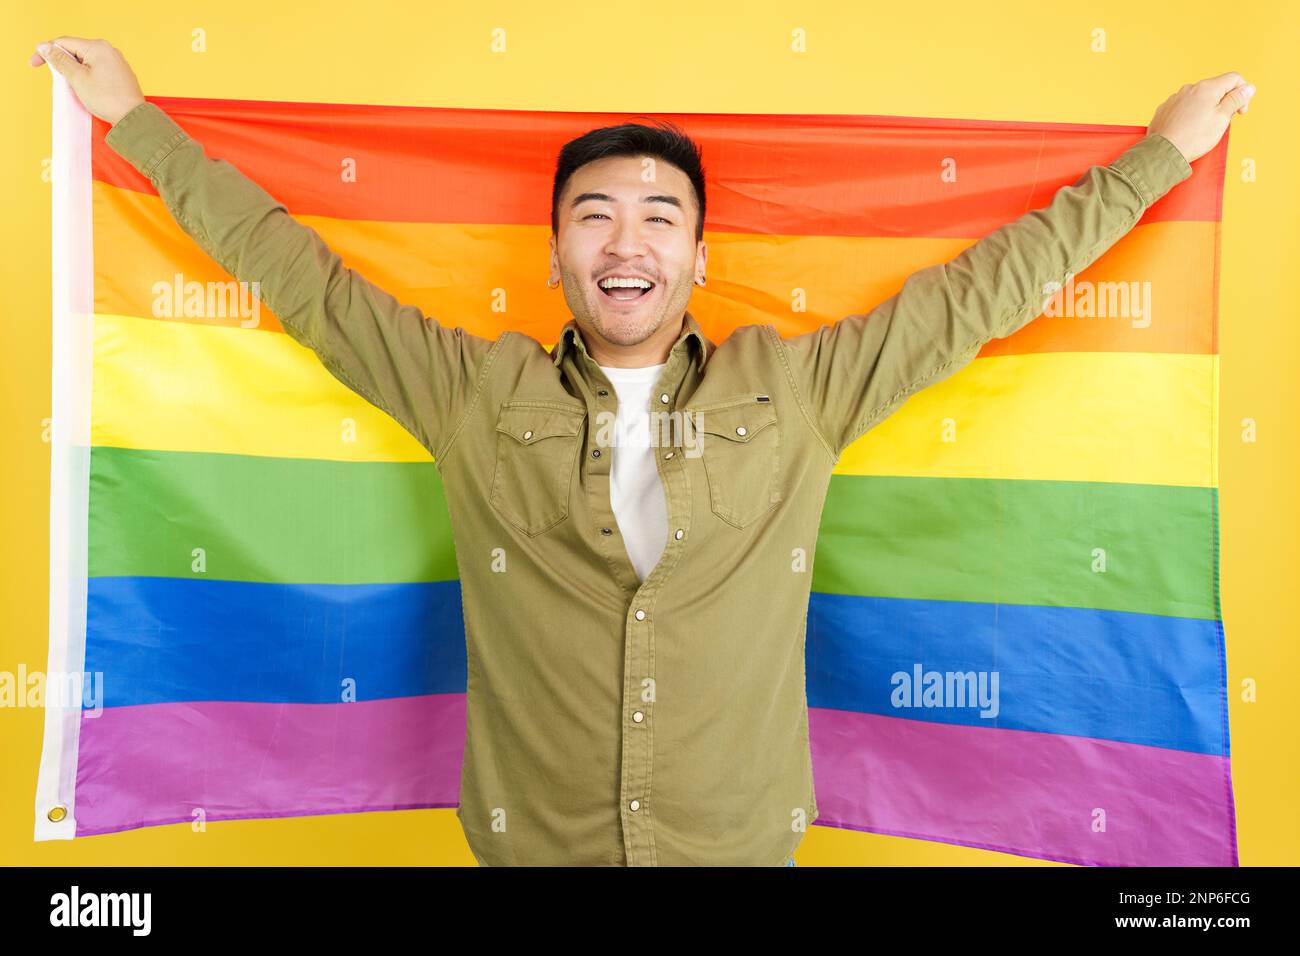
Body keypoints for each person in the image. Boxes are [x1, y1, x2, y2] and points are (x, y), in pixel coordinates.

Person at [32, 37, 1254, 867]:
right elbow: (299, 277)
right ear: (556, 250)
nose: (628, 239)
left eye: (660, 215)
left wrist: (1161, 154)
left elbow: (987, 290)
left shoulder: (798, 389)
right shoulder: (471, 393)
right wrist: (134, 121)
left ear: (698, 256)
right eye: (594, 214)